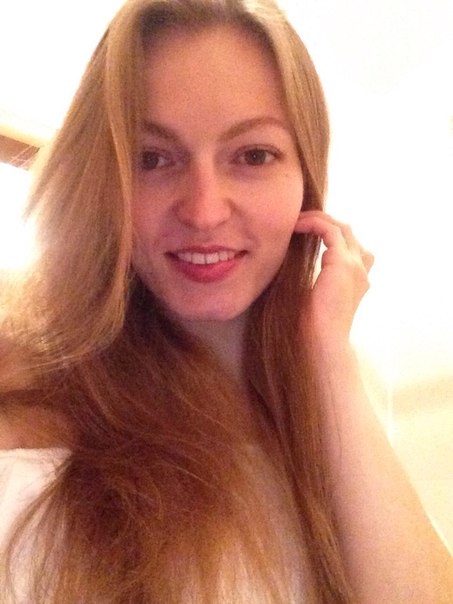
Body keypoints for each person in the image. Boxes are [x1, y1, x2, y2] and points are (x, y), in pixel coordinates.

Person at [0, 0, 452, 602]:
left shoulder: (335, 385)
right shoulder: (26, 406)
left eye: (253, 155)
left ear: (305, 181)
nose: (204, 211)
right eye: (152, 158)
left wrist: (328, 355)